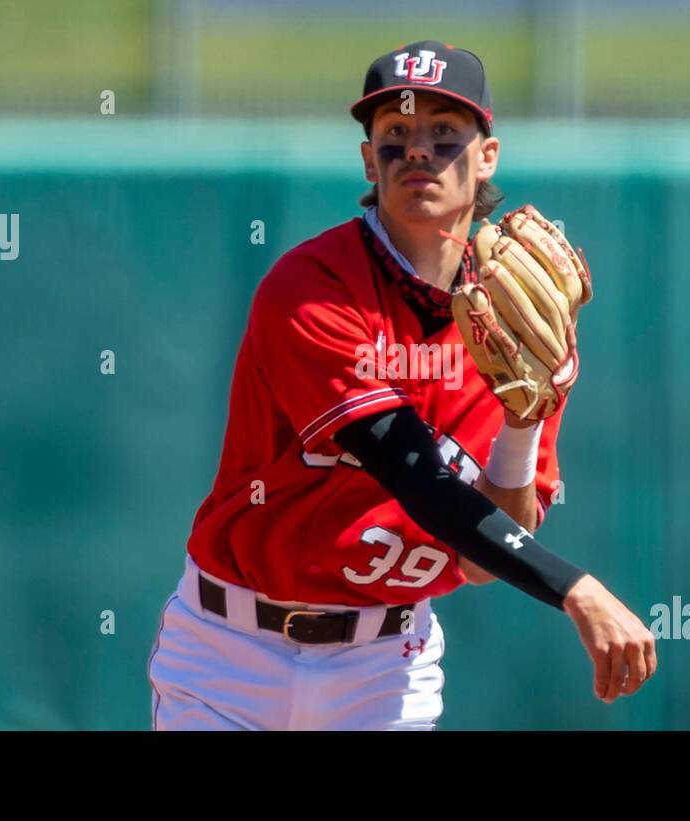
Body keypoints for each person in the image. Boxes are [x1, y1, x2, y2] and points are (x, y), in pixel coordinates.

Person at [148, 40, 656, 731]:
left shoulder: (522, 322)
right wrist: (574, 588)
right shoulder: (311, 289)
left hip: (385, 668)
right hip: (231, 655)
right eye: (396, 134)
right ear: (368, 160)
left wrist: (524, 418)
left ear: (487, 156)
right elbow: (418, 478)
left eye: (445, 133)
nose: (419, 150)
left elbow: (480, 561)